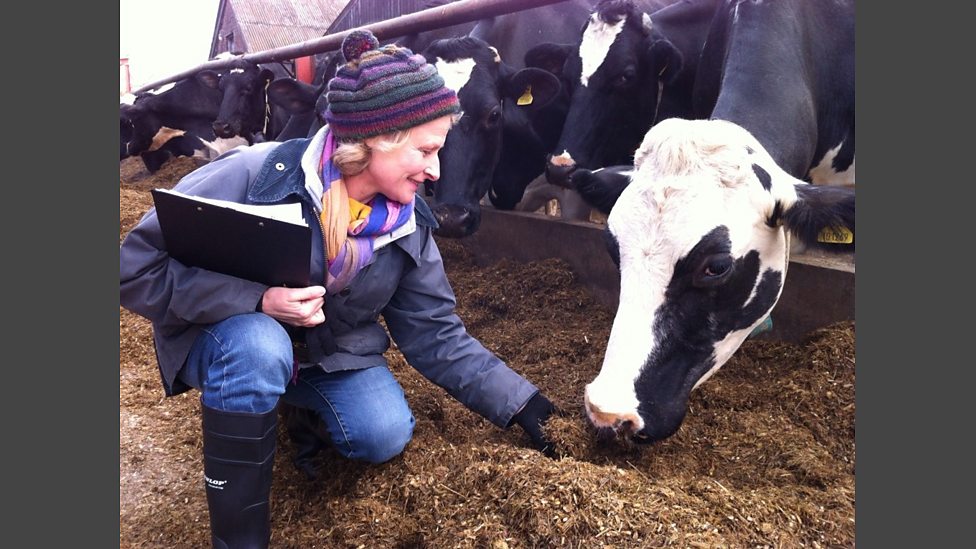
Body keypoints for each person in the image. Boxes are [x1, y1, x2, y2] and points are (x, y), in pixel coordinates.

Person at [119, 29, 557, 549]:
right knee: (259, 349)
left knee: (382, 433)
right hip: (225, 338)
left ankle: (293, 408)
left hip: (330, 352)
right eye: (426, 150)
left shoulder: (408, 223)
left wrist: (527, 408)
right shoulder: (253, 175)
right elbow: (132, 270)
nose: (436, 169)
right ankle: (240, 537)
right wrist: (255, 301)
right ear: (376, 138)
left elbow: (436, 334)